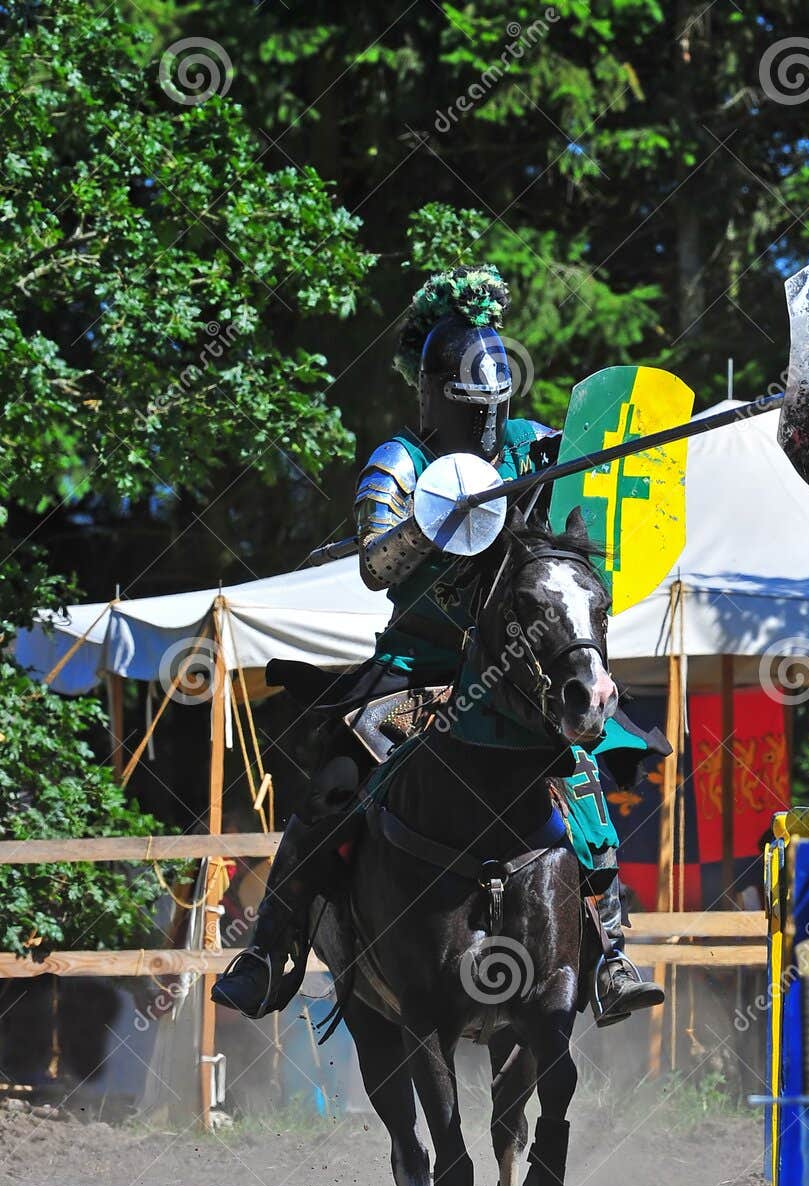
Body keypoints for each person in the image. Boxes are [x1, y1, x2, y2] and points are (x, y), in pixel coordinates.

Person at [213, 266, 665, 1025]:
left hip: (511, 669)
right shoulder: (401, 461)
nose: (486, 427)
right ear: (429, 396)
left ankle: (611, 948)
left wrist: (587, 462)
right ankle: (270, 947)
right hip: (415, 669)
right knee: (332, 784)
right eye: (470, 411)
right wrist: (436, 515)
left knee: (580, 770)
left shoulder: (536, 448)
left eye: (495, 409)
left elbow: (590, 511)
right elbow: (371, 564)